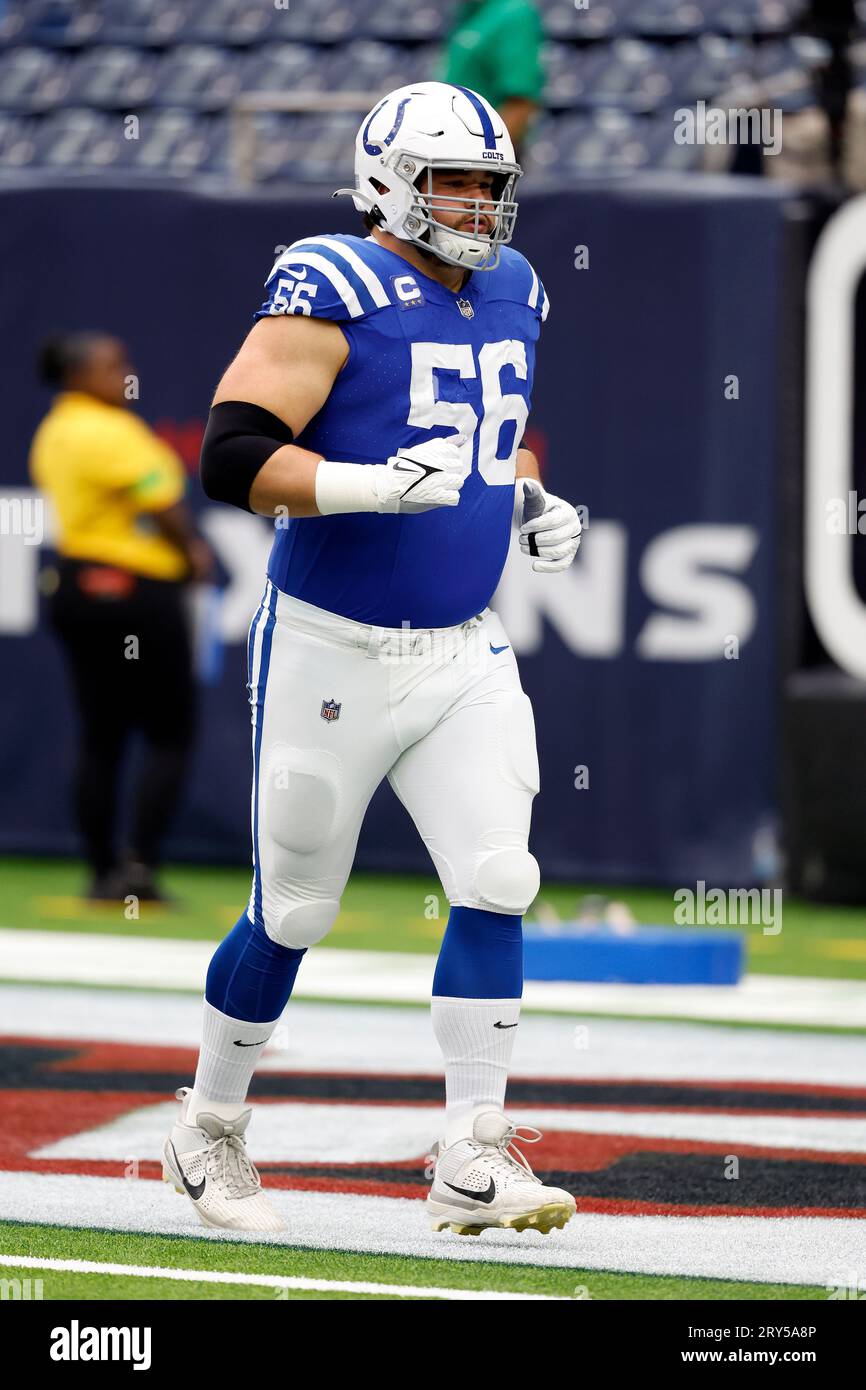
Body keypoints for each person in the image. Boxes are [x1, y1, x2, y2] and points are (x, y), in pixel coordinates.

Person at [163, 81, 582, 1237]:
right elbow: (232, 453)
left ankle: (471, 1148)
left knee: (498, 877)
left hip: (462, 647)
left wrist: (527, 496)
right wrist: (358, 486)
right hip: (330, 647)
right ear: (391, 181)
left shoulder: (513, 285)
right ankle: (210, 1122)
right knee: (294, 909)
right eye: (453, 181)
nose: (477, 206)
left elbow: (471, 433)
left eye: (489, 185)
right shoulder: (333, 280)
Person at [29, 333, 213, 903]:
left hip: (76, 586)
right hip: (133, 589)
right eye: (113, 366)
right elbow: (161, 501)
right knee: (170, 731)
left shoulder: (54, 431)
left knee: (101, 735)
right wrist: (194, 555)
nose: (126, 375)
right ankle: (138, 870)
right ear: (79, 375)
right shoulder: (109, 430)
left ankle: (102, 871)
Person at [442, 0, 544, 154]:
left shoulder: (514, 13)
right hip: (458, 149)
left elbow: (521, 102)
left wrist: (481, 155)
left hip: (483, 156)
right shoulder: (470, 11)